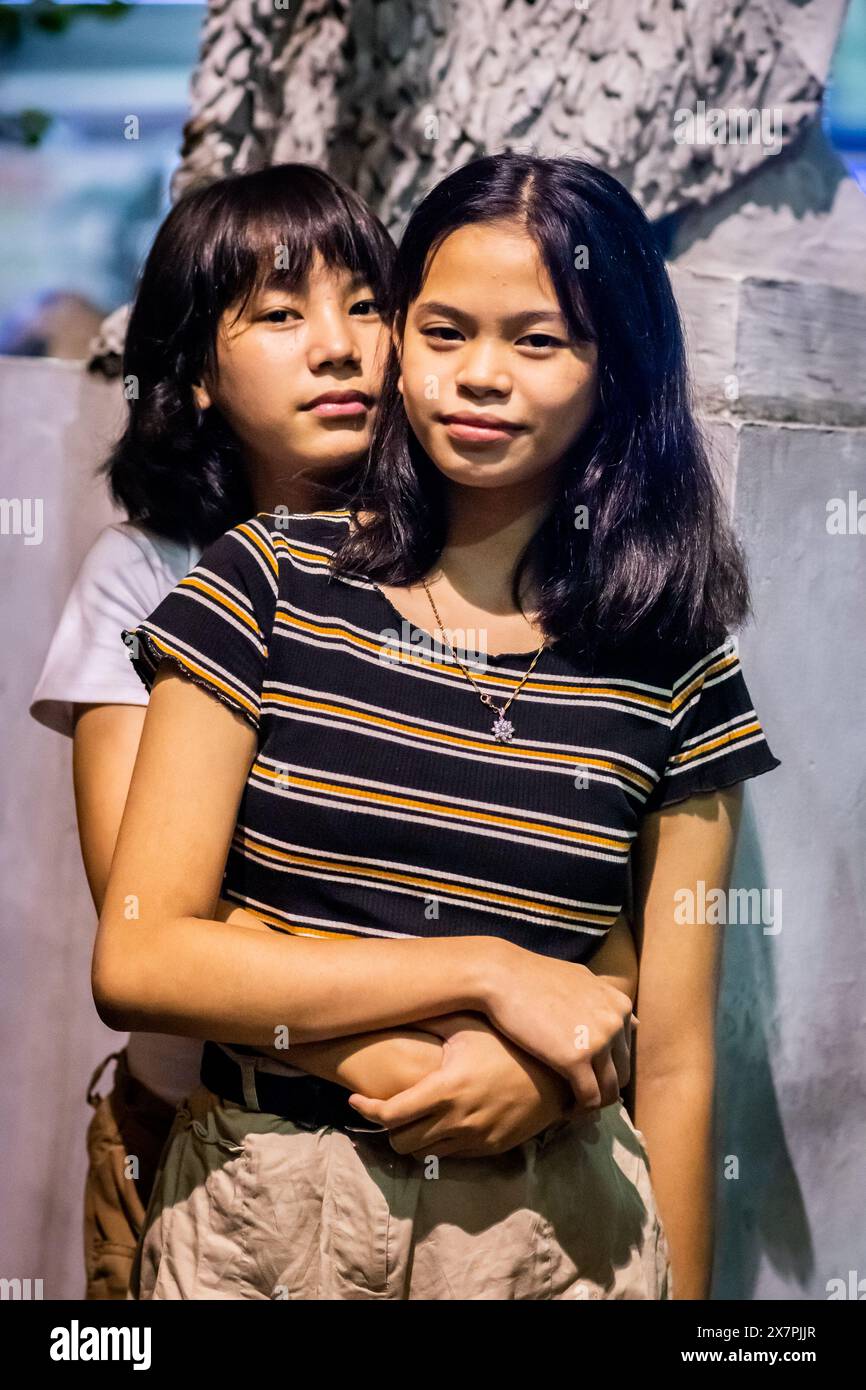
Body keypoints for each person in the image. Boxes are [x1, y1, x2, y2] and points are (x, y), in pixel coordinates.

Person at [93, 153, 780, 1300]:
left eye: (538, 341)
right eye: (445, 331)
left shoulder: (674, 660)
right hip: (270, 1215)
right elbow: (143, 954)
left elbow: (668, 1053)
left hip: (554, 1233)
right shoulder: (260, 581)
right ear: (399, 347)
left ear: (617, 370)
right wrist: (487, 970)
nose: (481, 378)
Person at [28, 161, 396, 1299]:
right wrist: (413, 1048)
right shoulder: (148, 575)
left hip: (436, 1158)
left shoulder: (455, 566)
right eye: (280, 315)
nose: (337, 347)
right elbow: (146, 936)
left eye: (366, 306)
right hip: (200, 1138)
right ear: (190, 375)